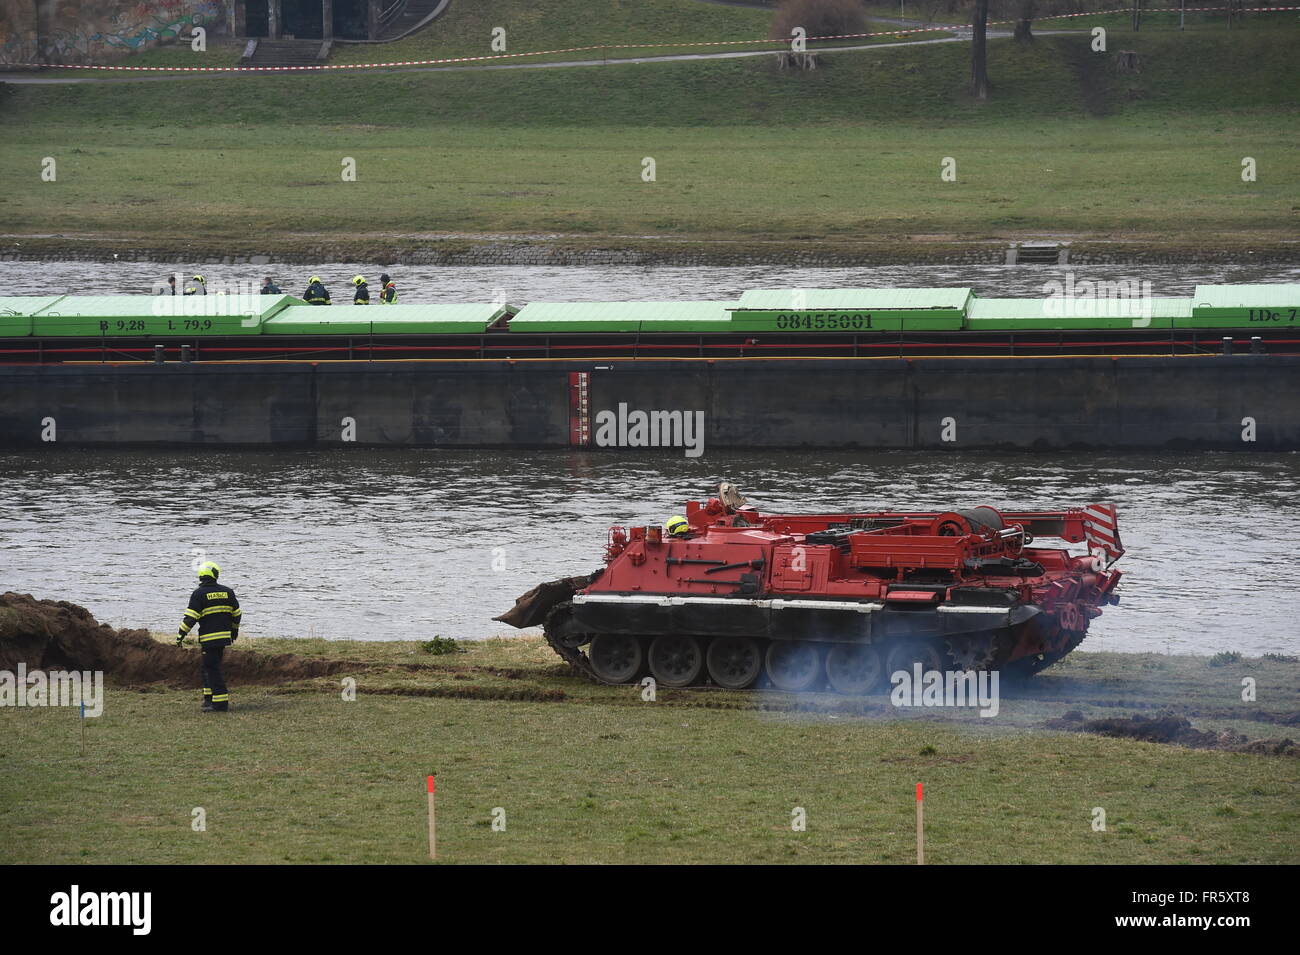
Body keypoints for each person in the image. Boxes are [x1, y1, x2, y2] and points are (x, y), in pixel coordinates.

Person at [176, 560, 242, 713]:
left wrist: (180, 635)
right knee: (209, 666)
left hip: (208, 639)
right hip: (224, 637)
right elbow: (237, 614)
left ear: (201, 576)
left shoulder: (198, 594)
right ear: (215, 574)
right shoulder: (228, 592)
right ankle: (208, 699)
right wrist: (234, 631)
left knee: (212, 668)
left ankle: (220, 704)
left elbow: (190, 619)